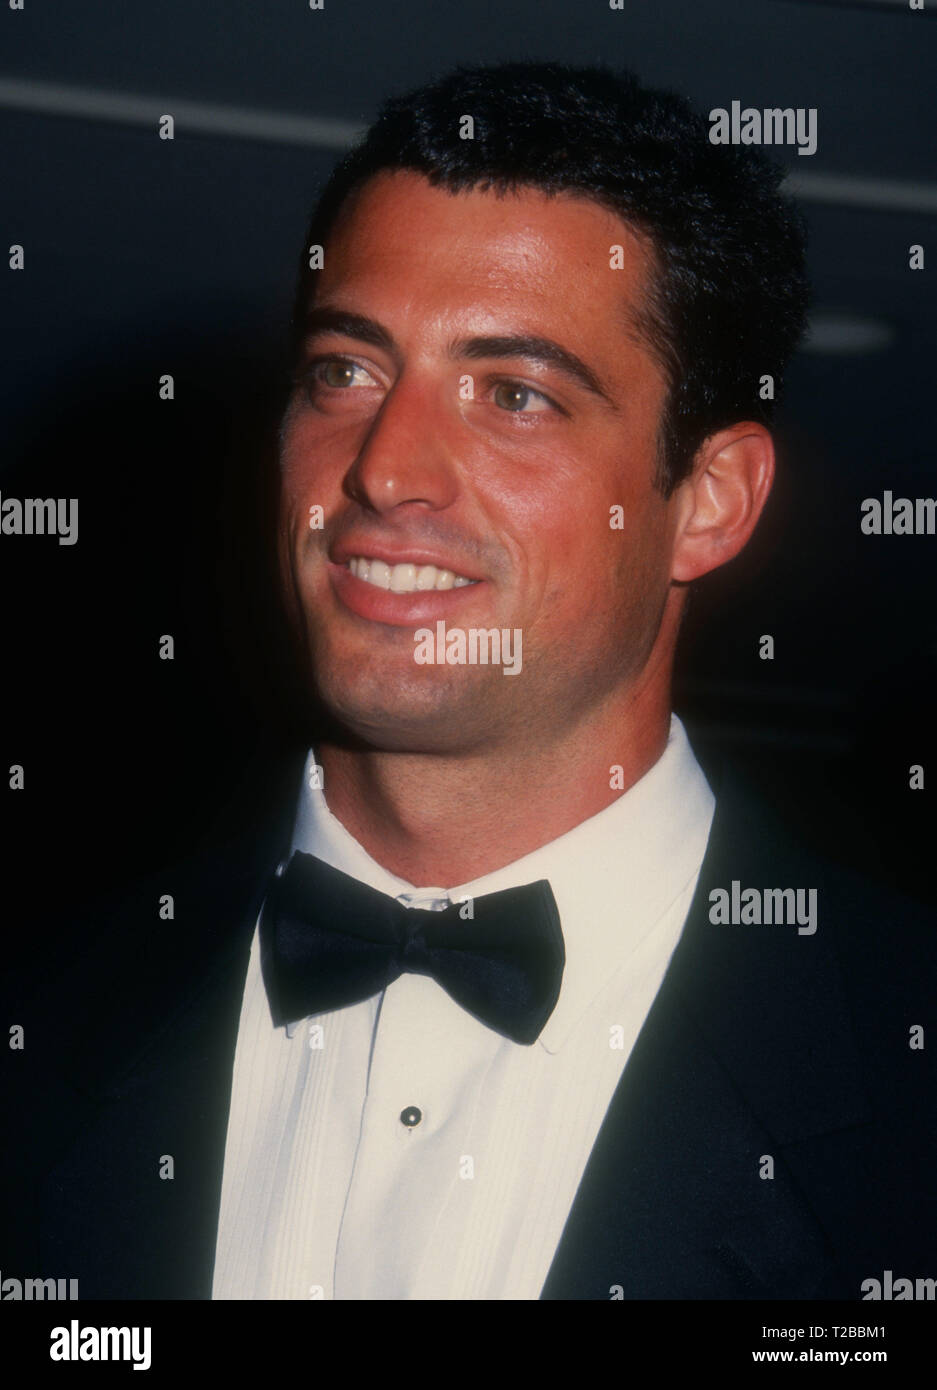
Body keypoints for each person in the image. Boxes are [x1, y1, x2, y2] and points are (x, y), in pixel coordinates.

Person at [3, 62, 935, 1302]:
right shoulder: (43, 1026)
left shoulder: (901, 1065)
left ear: (706, 503)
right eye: (346, 370)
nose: (386, 468)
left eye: (514, 394)